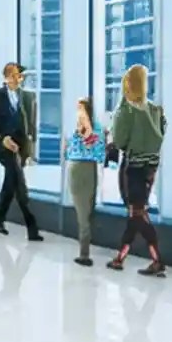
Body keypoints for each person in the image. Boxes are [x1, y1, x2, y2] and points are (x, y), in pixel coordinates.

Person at [107, 64, 167, 277]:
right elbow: (162, 131)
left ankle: (156, 260)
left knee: (137, 214)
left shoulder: (127, 110)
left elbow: (120, 140)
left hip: (132, 168)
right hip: (150, 168)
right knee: (138, 213)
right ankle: (120, 258)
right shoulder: (156, 110)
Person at [0, 62, 43, 241]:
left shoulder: (28, 97)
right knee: (19, 183)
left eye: (21, 76)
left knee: (11, 182)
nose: (19, 79)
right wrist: (2, 139)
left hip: (20, 148)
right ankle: (32, 227)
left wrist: (31, 151)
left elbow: (31, 126)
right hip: (3, 146)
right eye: (16, 75)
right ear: (7, 77)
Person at [63, 97, 106, 266]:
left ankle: (84, 254)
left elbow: (67, 150)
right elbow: (100, 153)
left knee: (82, 212)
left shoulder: (77, 128)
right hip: (91, 168)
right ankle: (85, 248)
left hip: (77, 168)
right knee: (88, 209)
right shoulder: (98, 128)